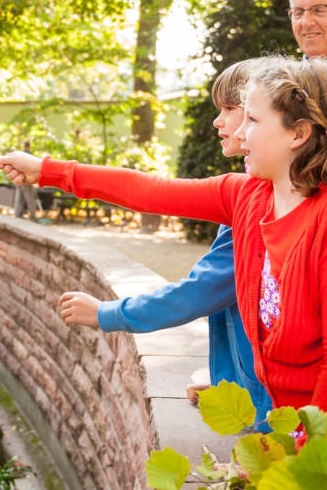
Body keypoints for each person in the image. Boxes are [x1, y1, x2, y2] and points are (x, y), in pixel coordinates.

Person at [0, 58, 327, 488]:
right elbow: (150, 190)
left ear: (299, 133)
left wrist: (302, 463)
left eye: (251, 119)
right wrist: (48, 171)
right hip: (299, 440)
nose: (237, 132)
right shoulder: (247, 196)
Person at [56, 60, 273, 422]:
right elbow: (150, 191)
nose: (219, 122)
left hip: (270, 412)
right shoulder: (246, 191)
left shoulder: (263, 204)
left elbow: (199, 292)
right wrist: (229, 386)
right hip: (253, 394)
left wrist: (106, 313)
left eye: (234, 110)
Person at [13, 140, 41, 221]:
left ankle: (17, 215)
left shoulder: (20, 155)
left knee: (19, 199)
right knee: (30, 200)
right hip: (26, 181)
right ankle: (33, 217)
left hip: (18, 180)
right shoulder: (29, 156)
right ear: (29, 146)